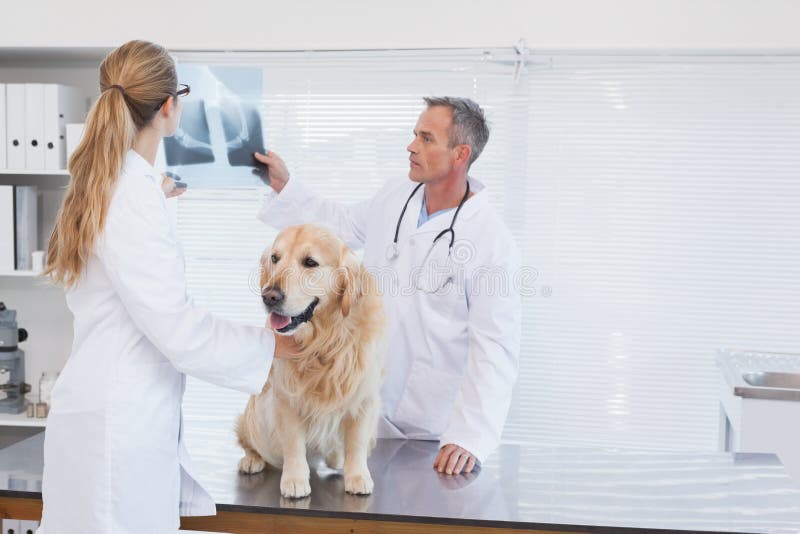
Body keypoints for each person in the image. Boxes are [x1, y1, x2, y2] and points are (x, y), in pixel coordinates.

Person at [38, 40, 299, 534]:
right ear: (168, 106)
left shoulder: (114, 185)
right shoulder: (130, 196)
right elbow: (177, 328)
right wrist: (269, 346)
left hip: (102, 413)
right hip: (119, 426)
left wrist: (156, 199)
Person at [256, 96, 521, 476]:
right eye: (415, 135)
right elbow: (339, 225)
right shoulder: (396, 195)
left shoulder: (490, 239)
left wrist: (471, 435)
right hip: (365, 409)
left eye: (426, 138)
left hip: (433, 430)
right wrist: (285, 186)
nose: (411, 146)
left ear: (460, 153)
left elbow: (496, 347)